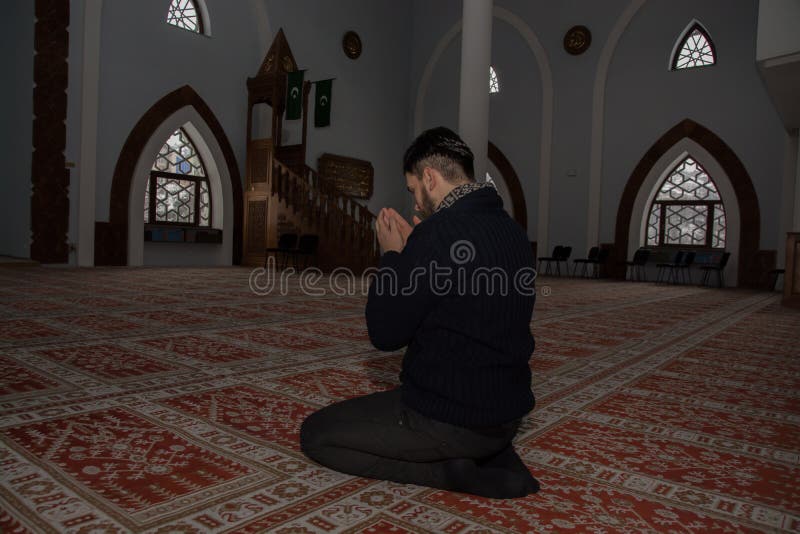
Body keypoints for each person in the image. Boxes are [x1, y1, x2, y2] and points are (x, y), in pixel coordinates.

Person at [300, 127, 539, 499]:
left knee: (317, 435)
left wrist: (393, 257)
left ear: (430, 177)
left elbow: (385, 333)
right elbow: (460, 295)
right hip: (505, 414)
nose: (414, 204)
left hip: (450, 417)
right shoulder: (513, 232)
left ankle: (455, 473)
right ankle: (490, 452)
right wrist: (416, 253)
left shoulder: (438, 234)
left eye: (413, 189)